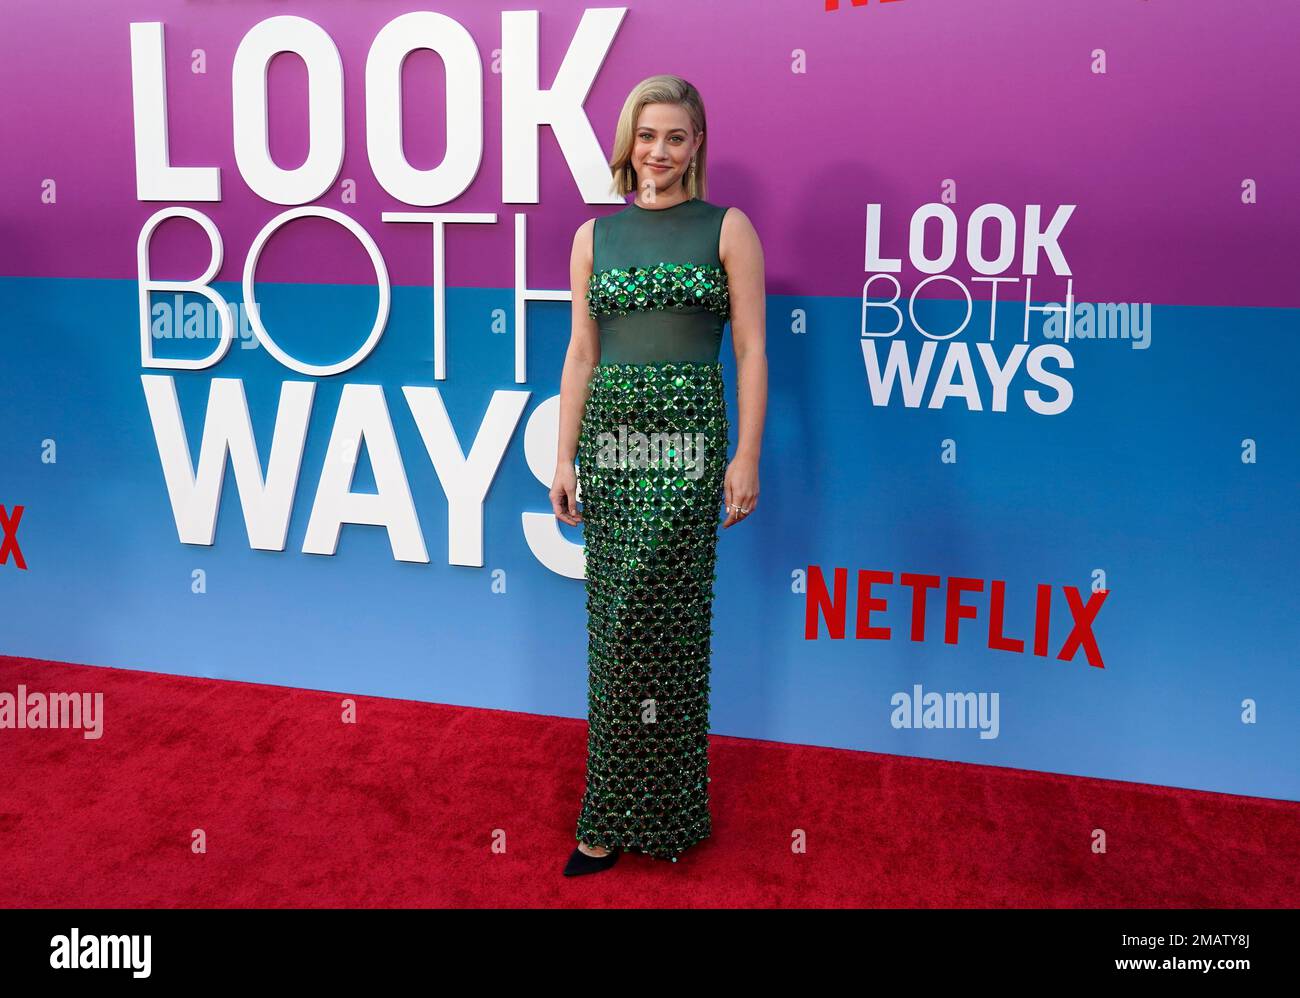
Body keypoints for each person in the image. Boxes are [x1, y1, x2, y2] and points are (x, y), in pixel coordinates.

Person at [550, 75, 768, 875]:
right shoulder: (593, 237)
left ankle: (666, 814)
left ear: (697, 144)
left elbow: (750, 349)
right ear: (627, 143)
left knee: (667, 630)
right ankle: (609, 813)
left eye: (675, 137)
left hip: (688, 444)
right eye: (647, 137)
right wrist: (565, 453)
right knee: (613, 629)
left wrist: (745, 454)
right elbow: (582, 352)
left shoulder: (728, 227)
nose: (659, 152)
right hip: (611, 439)